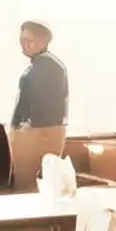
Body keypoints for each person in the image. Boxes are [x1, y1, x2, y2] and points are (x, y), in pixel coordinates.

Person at [10, 20, 69, 190]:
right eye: (22, 41)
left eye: (30, 41)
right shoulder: (37, 65)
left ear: (43, 42)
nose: (25, 45)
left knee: (28, 185)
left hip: (41, 133)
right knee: (24, 182)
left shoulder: (49, 66)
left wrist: (25, 128)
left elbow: (46, 106)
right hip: (35, 132)